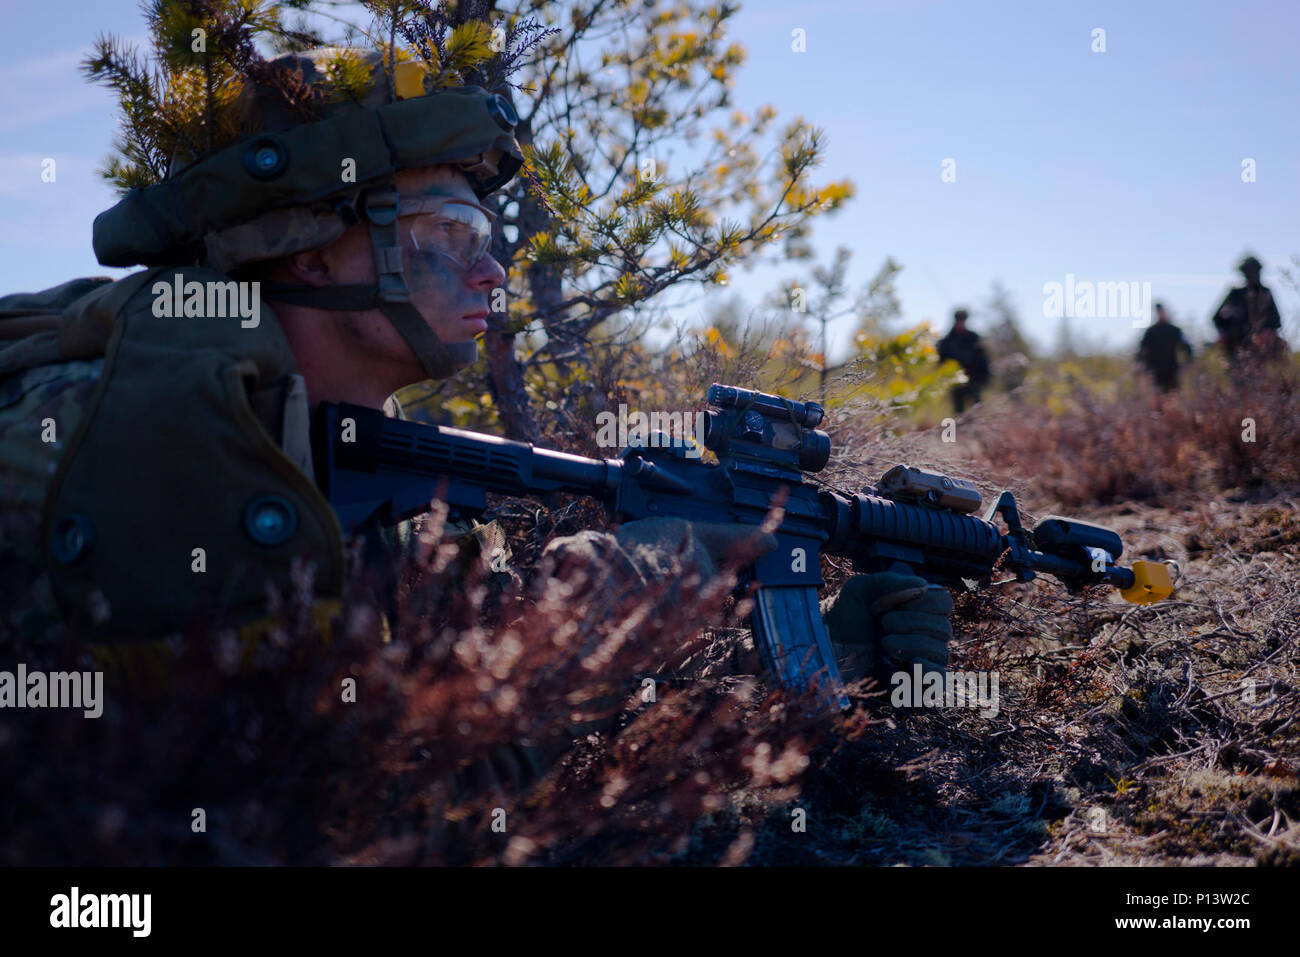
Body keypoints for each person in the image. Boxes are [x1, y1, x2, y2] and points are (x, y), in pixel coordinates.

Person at [0, 48, 952, 715]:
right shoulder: (125, 416)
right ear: (305, 252)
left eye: (485, 241)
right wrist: (609, 596)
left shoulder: (382, 477)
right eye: (446, 235)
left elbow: (465, 702)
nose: (491, 271)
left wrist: (825, 657)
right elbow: (285, 777)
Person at [1212, 255, 1284, 360]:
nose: (1252, 275)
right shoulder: (1235, 294)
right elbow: (1216, 319)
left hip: (1261, 348)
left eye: (1254, 271)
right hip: (1236, 346)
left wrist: (1266, 333)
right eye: (1248, 272)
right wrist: (1225, 334)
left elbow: (1276, 321)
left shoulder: (1265, 293)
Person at [937, 308, 991, 413]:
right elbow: (941, 361)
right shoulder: (947, 340)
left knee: (976, 409)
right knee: (958, 412)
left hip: (973, 379)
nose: (960, 322)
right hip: (955, 382)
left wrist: (984, 377)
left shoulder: (973, 338)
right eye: (959, 320)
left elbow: (983, 360)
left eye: (962, 320)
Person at [1136, 302, 1193, 391]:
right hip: (1154, 373)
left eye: (1161, 311)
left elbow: (1188, 348)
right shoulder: (1150, 332)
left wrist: (1186, 365)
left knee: (1171, 399)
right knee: (1156, 400)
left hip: (1172, 372)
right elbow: (1141, 351)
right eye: (1158, 311)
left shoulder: (1175, 331)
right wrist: (1141, 367)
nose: (1160, 314)